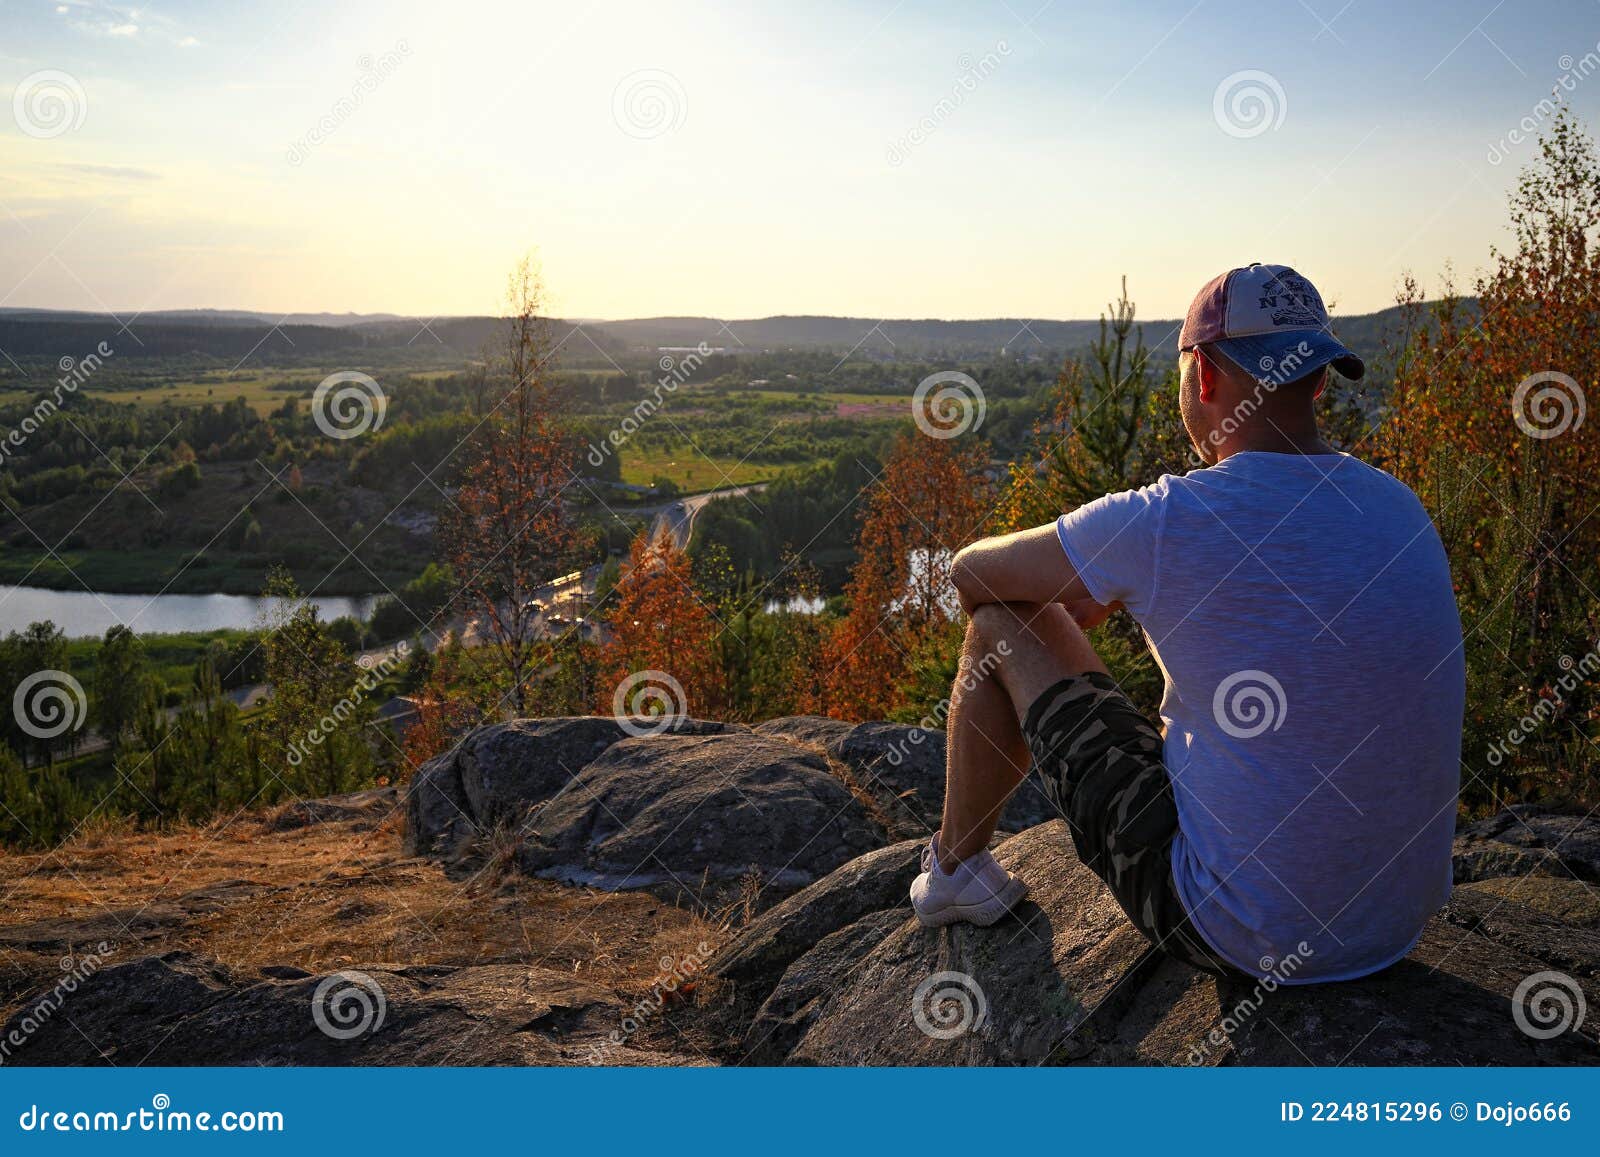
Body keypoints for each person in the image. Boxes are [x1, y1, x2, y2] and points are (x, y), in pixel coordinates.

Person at [909, 263, 1465, 984]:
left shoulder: (1169, 519)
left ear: (1202, 374)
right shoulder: (1400, 507)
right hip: (1395, 923)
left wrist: (1088, 583)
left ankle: (954, 870)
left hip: (1247, 929)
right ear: (1321, 380)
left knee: (1001, 622)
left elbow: (969, 574)